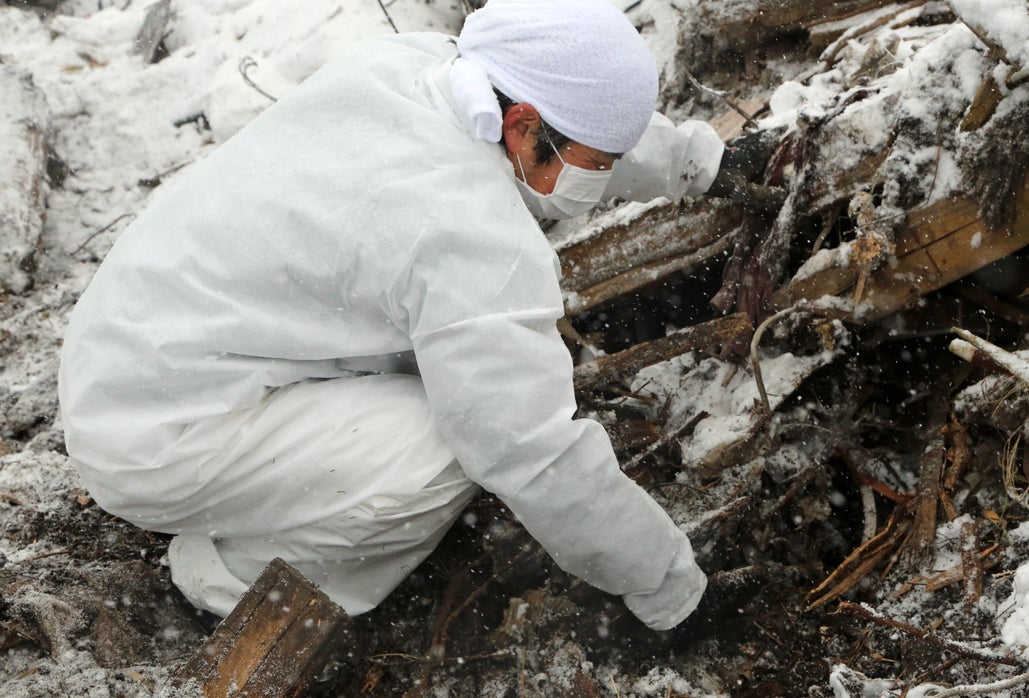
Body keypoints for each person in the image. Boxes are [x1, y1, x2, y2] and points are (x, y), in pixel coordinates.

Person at [58, 0, 763, 630]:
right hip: (160, 441)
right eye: (594, 163)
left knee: (447, 388)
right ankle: (228, 579)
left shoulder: (414, 67)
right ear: (519, 126)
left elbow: (579, 120)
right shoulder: (465, 233)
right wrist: (670, 589)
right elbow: (528, 450)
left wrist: (700, 164)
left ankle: (262, 493)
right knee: (446, 450)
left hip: (123, 361)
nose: (601, 178)